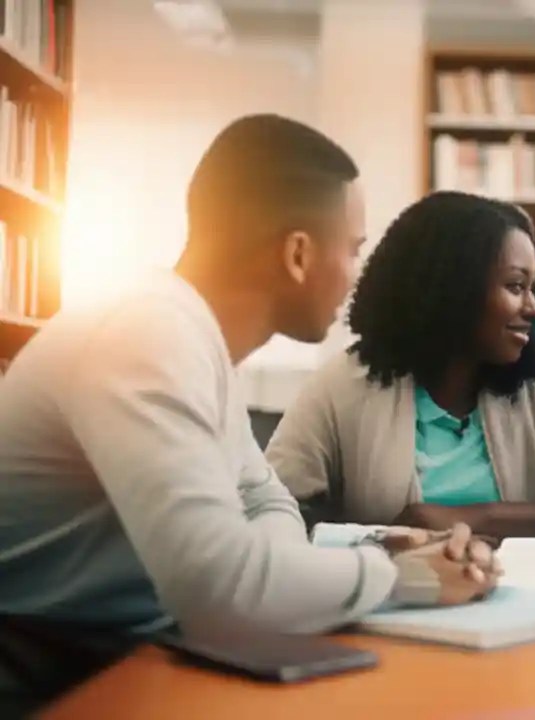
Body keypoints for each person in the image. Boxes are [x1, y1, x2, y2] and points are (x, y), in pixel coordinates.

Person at [0, 116, 498, 709]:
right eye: (353, 249)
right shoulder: (146, 334)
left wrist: (307, 564)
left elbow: (266, 501)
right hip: (41, 672)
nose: (355, 273)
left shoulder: (188, 335)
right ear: (297, 253)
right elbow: (222, 587)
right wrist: (407, 577)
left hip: (116, 649)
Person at [266, 191, 535, 540]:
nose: (534, 307)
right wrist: (373, 546)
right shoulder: (343, 382)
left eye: (534, 287)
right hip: (392, 595)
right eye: (516, 286)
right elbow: (271, 507)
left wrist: (471, 519)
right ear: (453, 289)